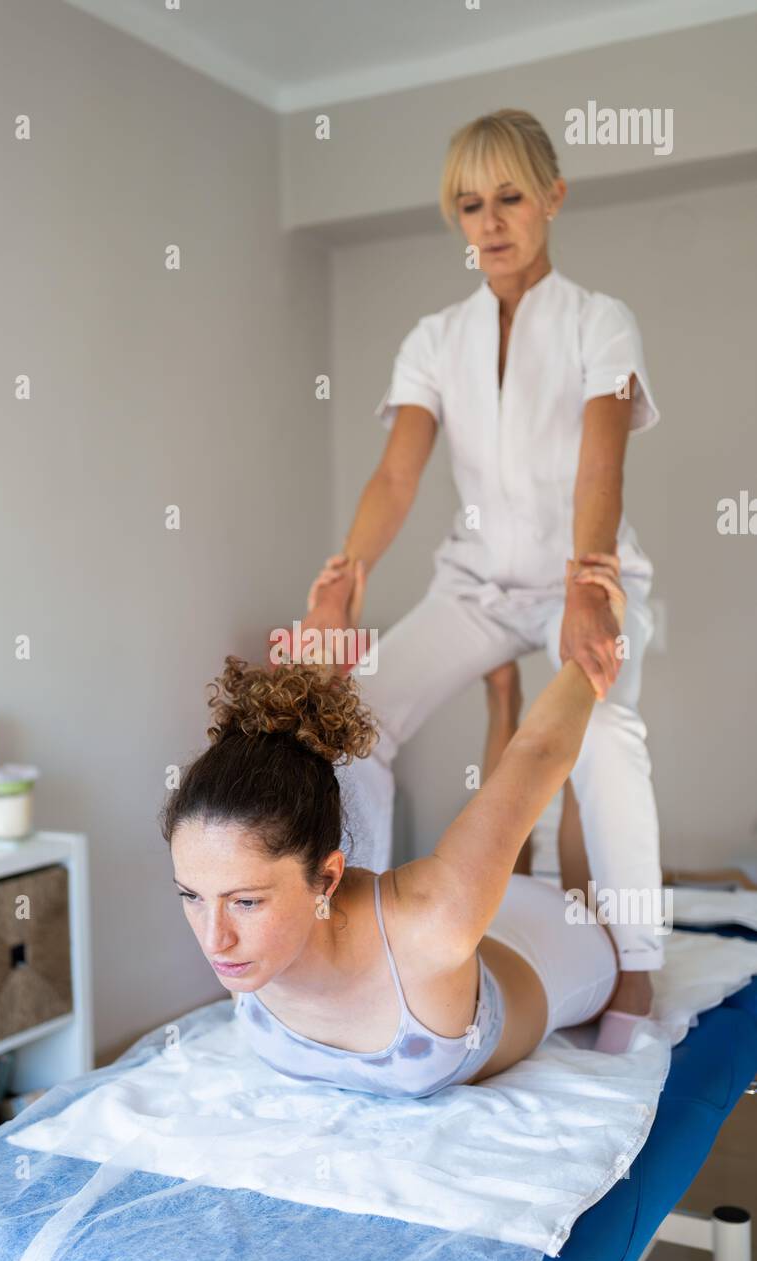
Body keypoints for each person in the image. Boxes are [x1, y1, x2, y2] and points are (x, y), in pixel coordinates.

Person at [301, 108, 667, 1022]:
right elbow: (398, 473)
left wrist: (591, 583)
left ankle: (636, 964)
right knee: (354, 722)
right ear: (455, 218)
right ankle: (372, 925)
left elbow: (601, 461)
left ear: (553, 196)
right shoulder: (434, 339)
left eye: (510, 197)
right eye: (471, 205)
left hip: (583, 578)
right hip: (475, 583)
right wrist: (346, 576)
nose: (492, 221)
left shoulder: (601, 322)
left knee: (606, 737)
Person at [161, 556, 633, 1101]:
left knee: (565, 840)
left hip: (558, 942)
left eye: (245, 903)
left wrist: (591, 641)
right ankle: (502, 700)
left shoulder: (434, 922)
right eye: (191, 896)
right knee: (494, 867)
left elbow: (538, 756)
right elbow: (289, 734)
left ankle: (508, 702)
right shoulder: (246, 933)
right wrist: (330, 615)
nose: (213, 939)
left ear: (328, 877)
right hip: (464, 948)